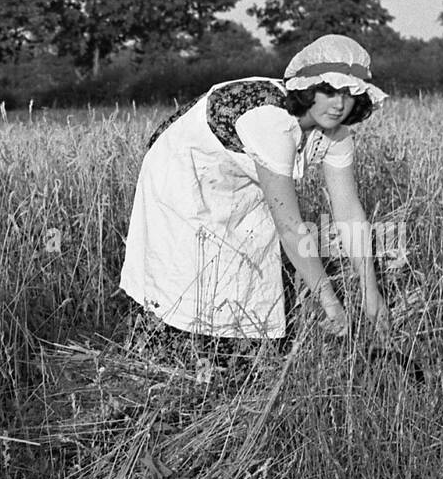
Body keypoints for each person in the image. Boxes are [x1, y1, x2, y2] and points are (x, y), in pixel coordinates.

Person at [118, 34, 392, 349]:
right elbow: (290, 228)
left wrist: (371, 292)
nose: (339, 104)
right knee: (186, 263)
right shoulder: (271, 120)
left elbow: (349, 213)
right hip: (184, 167)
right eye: (329, 91)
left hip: (239, 173)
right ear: (307, 88)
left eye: (349, 94)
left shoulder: (338, 136)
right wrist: (329, 302)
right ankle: (163, 343)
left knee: (249, 251)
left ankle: (230, 349)